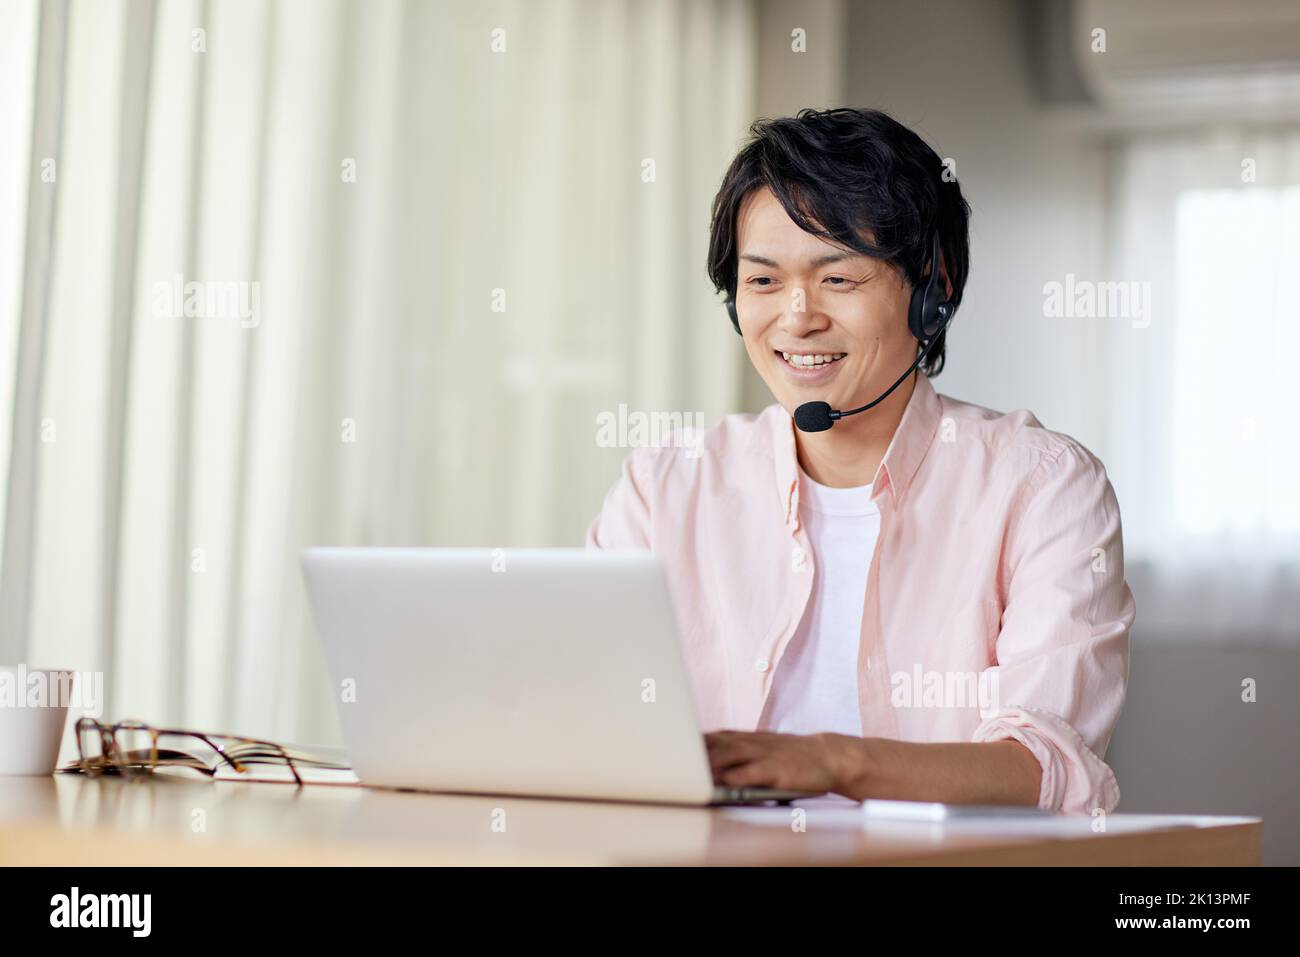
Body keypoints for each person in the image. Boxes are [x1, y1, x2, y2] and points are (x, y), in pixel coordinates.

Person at [586, 107, 1134, 814]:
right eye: (762, 282)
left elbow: (1045, 766)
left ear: (932, 290)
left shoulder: (1043, 486)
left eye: (838, 279)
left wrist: (831, 761)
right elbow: (583, 711)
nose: (797, 316)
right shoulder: (663, 488)